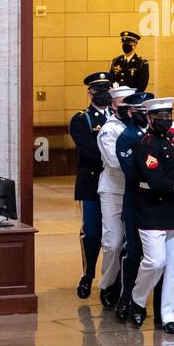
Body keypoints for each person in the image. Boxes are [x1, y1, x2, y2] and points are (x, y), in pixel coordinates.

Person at [130, 97, 174, 334]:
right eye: (160, 117)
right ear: (149, 118)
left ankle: (170, 316)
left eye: (168, 116)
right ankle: (137, 298)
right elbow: (157, 181)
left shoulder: (172, 140)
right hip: (152, 208)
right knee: (155, 261)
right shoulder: (145, 144)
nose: (165, 121)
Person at [70, 72, 113, 299]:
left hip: (117, 185)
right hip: (93, 184)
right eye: (99, 91)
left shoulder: (118, 116)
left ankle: (111, 282)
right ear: (90, 93)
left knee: (115, 236)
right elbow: (90, 152)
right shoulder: (82, 119)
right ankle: (88, 276)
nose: (104, 95)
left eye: (107, 90)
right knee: (93, 233)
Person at [114, 89, 155, 323]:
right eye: (141, 111)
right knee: (133, 251)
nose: (146, 115)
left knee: (155, 257)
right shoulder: (127, 137)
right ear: (130, 112)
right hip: (135, 200)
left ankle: (143, 299)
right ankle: (126, 297)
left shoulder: (161, 135)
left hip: (157, 202)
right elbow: (132, 171)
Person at [96, 85, 136, 311]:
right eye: (123, 104)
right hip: (113, 190)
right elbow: (116, 161)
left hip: (136, 190)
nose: (129, 108)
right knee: (113, 243)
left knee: (132, 244)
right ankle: (107, 284)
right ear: (113, 105)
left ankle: (126, 288)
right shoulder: (109, 130)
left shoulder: (139, 124)